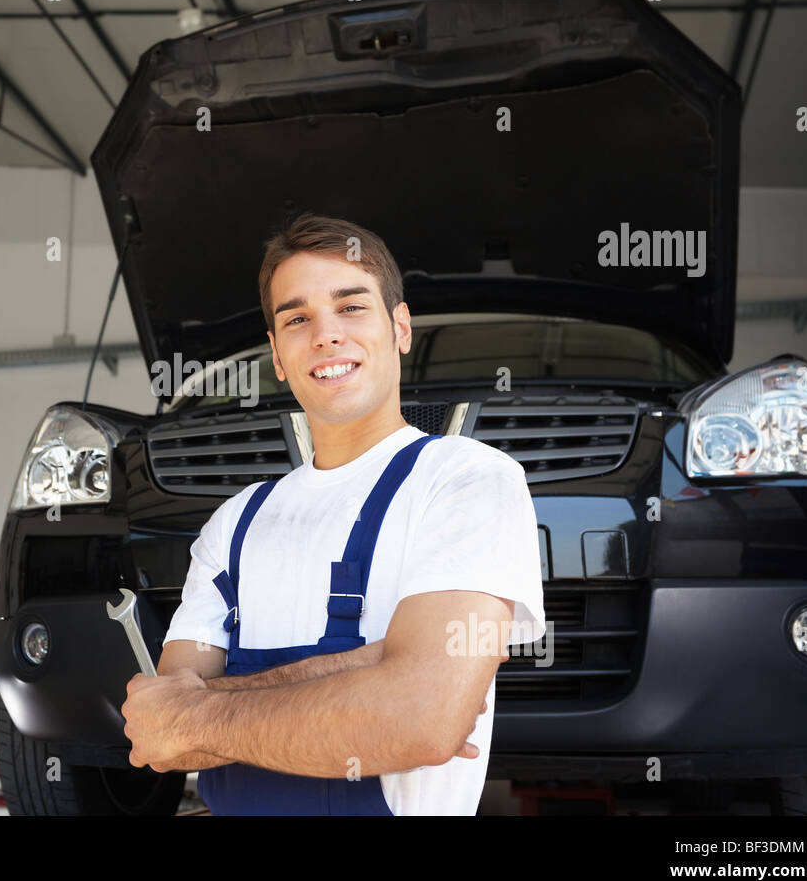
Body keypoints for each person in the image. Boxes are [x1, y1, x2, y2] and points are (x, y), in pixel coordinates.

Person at [121, 213, 546, 815]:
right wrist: (373, 665)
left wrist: (203, 708)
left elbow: (420, 721)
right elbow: (161, 737)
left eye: (351, 307)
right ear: (277, 353)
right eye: (297, 319)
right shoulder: (236, 522)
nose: (326, 335)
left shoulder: (466, 479)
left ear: (400, 327)